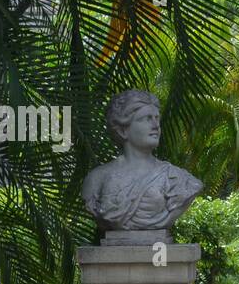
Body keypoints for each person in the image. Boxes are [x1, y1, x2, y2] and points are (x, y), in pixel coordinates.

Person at [82, 90, 202, 233]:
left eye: (157, 118)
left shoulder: (178, 179)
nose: (155, 125)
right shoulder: (97, 179)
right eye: (146, 119)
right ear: (122, 130)